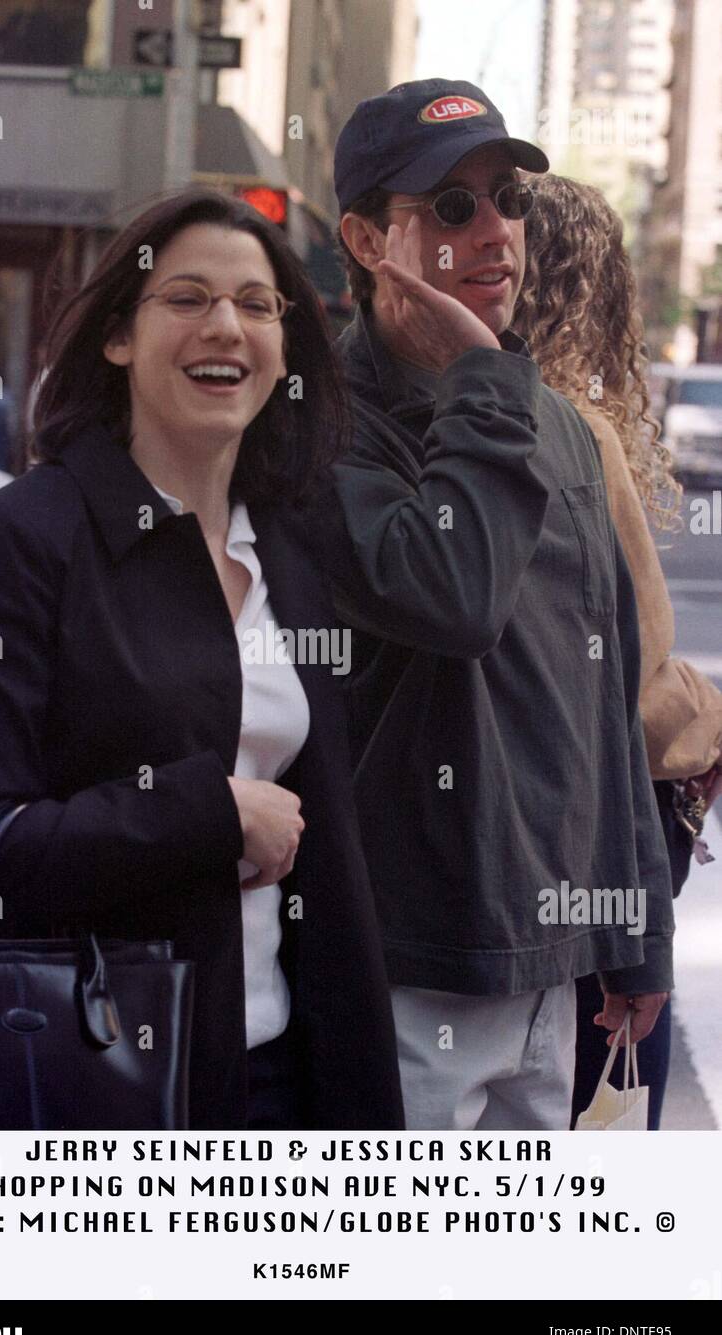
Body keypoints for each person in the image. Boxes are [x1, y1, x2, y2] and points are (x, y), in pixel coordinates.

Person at [0, 187, 404, 1132]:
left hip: (282, 1077)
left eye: (257, 306)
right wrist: (208, 813)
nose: (225, 326)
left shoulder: (297, 550)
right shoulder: (22, 537)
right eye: (185, 298)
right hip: (90, 1075)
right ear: (116, 339)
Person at [319, 78, 674, 1129]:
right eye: (451, 207)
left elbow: (606, 706)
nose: (496, 234)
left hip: (551, 969)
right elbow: (450, 597)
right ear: (365, 239)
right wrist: (486, 382)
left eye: (509, 198)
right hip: (403, 967)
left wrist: (636, 931)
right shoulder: (321, 426)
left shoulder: (560, 430)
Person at [512, 172, 722, 1129]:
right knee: (597, 1124)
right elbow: (629, 687)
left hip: (512, 872)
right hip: (594, 866)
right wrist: (705, 716)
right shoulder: (578, 434)